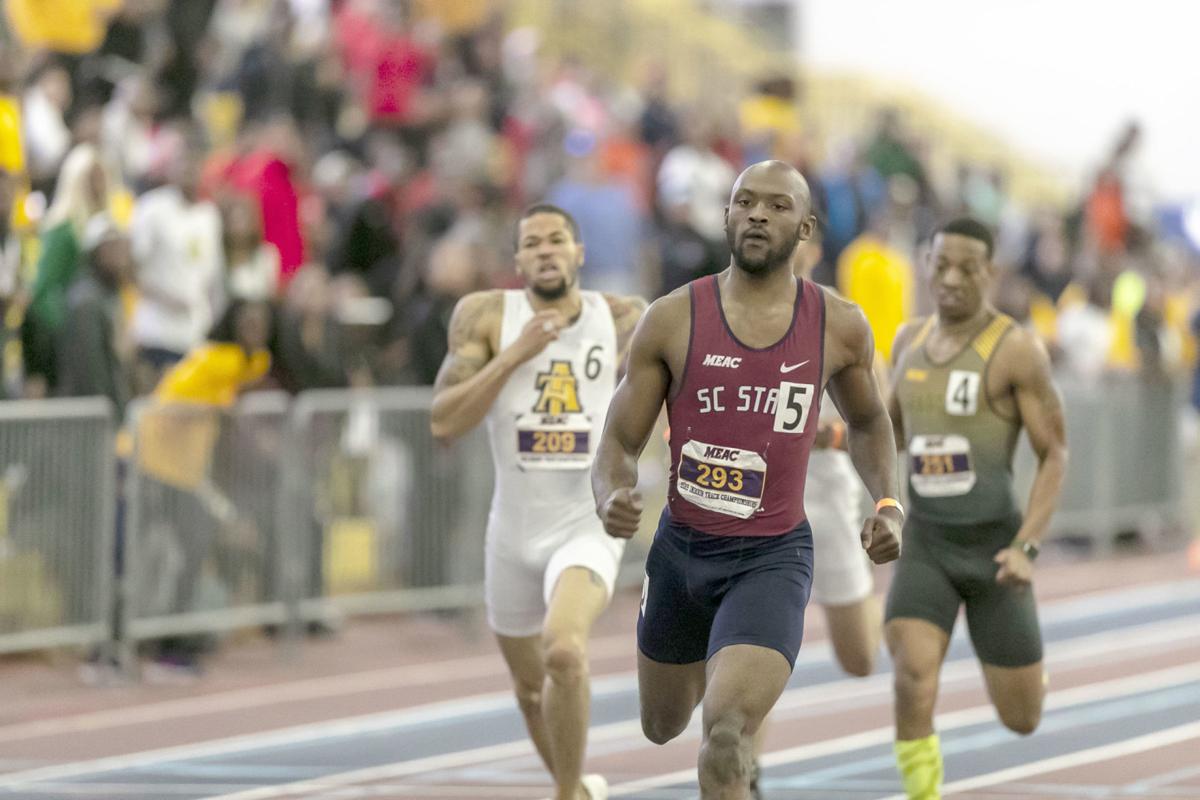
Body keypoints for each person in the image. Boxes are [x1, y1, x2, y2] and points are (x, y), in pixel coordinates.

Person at [592, 160, 903, 799]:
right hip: (681, 552)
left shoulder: (838, 325)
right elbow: (619, 441)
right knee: (661, 724)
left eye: (778, 205)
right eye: (745, 201)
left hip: (772, 557)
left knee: (727, 733)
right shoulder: (673, 319)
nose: (758, 213)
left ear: (806, 228)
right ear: (727, 215)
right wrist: (612, 494)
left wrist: (888, 503)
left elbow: (870, 421)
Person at [429, 204, 646, 800]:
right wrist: (513, 355)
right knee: (530, 690)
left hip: (586, 521)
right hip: (513, 530)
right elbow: (444, 422)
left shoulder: (622, 317)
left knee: (565, 651)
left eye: (557, 240)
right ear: (518, 260)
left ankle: (565, 794)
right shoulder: (486, 316)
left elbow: (672, 388)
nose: (546, 250)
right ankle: (578, 789)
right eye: (532, 243)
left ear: (579, 253)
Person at [885, 217, 1068, 799]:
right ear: (926, 265)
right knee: (912, 676)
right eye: (941, 265)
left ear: (991, 272)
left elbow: (1054, 453)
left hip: (995, 550)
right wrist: (833, 440)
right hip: (927, 544)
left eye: (967, 268)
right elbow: (887, 434)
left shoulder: (1015, 349)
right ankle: (923, 793)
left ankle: (1030, 674)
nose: (951, 279)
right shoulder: (907, 341)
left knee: (1023, 717)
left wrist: (1027, 546)